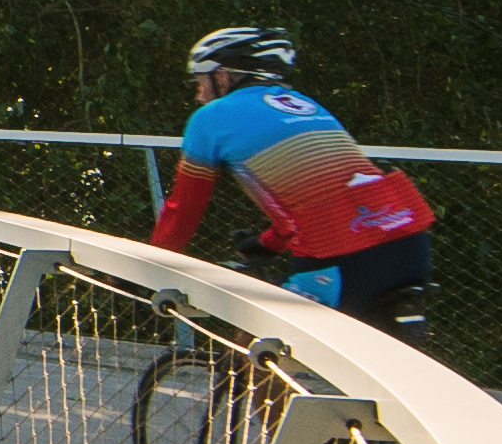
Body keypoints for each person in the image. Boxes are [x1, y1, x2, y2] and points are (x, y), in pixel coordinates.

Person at [142, 24, 436, 326]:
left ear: (224, 75)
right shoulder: (306, 105)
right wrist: (268, 243)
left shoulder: (209, 118)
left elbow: (183, 210)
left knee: (260, 338)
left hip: (342, 251)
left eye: (201, 80)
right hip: (408, 240)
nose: (199, 94)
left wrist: (149, 267)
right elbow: (319, 199)